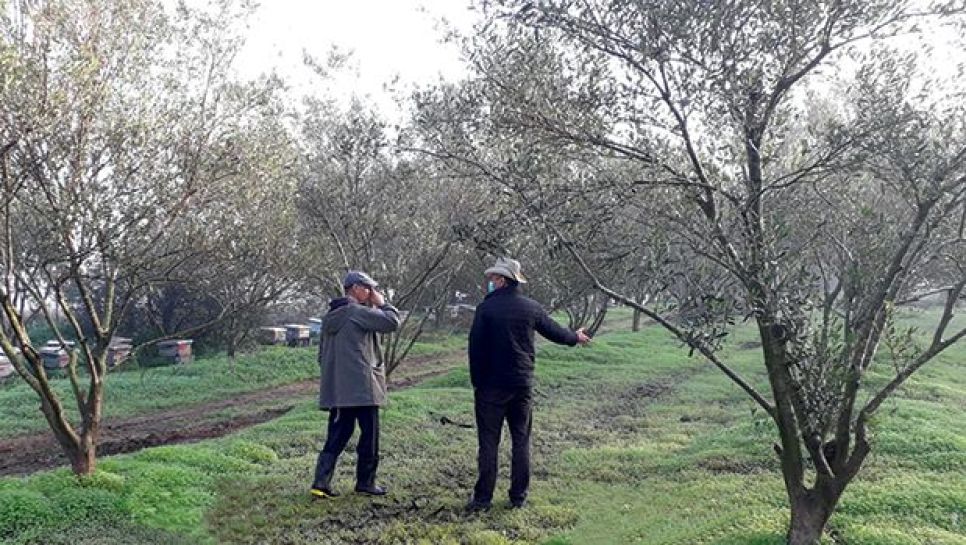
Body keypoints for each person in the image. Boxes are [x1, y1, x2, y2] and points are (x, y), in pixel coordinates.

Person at [466, 257, 592, 511]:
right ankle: (518, 496)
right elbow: (555, 331)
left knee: (489, 441)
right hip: (522, 383)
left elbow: (475, 349)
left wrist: (477, 382)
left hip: (491, 386)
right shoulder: (530, 307)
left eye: (493, 279)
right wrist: (574, 338)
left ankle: (482, 500)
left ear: (502, 280)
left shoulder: (486, 309)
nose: (490, 282)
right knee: (521, 439)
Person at [311, 270, 400, 499]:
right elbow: (392, 322)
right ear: (355, 288)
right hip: (364, 388)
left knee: (337, 435)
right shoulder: (356, 312)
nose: (371, 293)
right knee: (369, 436)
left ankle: (320, 482)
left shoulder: (331, 317)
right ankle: (366, 482)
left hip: (340, 391)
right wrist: (383, 304)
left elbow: (321, 357)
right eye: (367, 288)